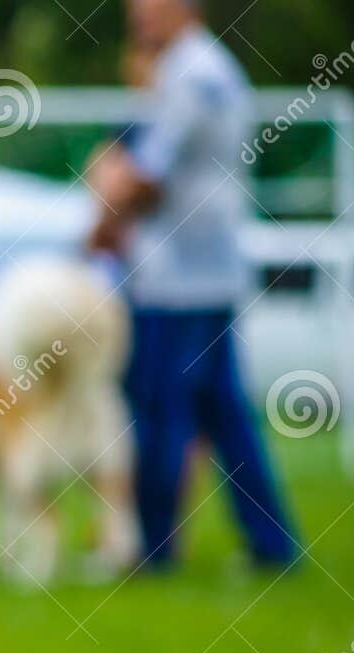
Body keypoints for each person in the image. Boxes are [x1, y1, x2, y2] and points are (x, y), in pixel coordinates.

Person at [89, 0, 297, 570]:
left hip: (182, 278)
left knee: (160, 412)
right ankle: (272, 546)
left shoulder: (193, 73)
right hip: (196, 272)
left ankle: (152, 549)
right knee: (224, 414)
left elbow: (147, 175)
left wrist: (101, 220)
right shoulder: (197, 67)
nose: (140, 16)